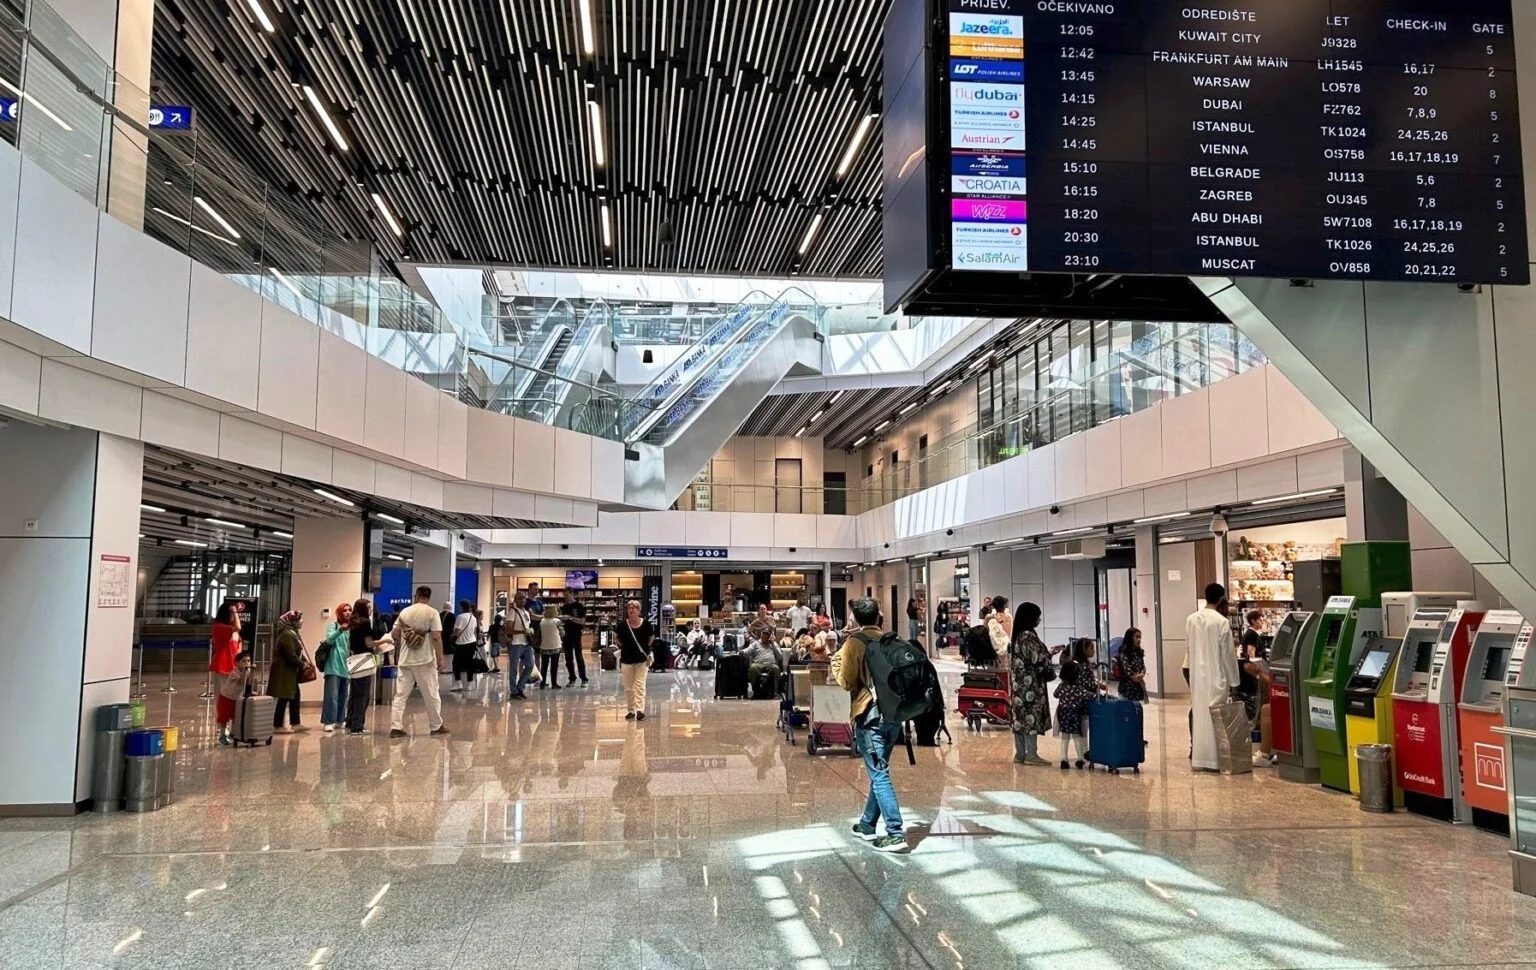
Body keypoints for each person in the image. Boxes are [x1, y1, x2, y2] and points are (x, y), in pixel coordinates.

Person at [832, 597, 909, 853]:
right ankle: (867, 824)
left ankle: (895, 832)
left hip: (870, 715)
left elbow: (846, 681)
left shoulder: (854, 643)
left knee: (879, 774)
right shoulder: (892, 640)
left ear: (855, 619)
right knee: (880, 770)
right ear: (878, 616)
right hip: (894, 715)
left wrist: (836, 664)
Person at [1186, 583, 1241, 771]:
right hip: (1216, 675)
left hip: (1197, 677)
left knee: (1200, 714)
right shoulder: (1221, 622)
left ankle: (1200, 758)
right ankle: (1216, 759)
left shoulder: (1191, 619)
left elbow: (1189, 648)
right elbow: (1228, 654)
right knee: (1216, 716)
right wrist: (1235, 681)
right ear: (1221, 598)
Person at [389, 585, 450, 738]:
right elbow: (436, 637)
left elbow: (395, 634)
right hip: (425, 660)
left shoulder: (404, 612)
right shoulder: (432, 613)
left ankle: (396, 727)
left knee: (400, 695)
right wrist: (440, 659)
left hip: (405, 660)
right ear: (429, 597)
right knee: (431, 694)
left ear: (416, 596)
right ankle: (436, 726)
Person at [1008, 602, 1053, 766]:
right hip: (1030, 686)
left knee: (1019, 719)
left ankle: (1020, 754)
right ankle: (1031, 755)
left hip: (1018, 684)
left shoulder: (1017, 636)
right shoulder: (1028, 635)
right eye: (1037, 617)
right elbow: (1036, 658)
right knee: (1030, 718)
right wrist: (1049, 654)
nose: (1039, 620)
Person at [345, 599, 386, 735]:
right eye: (368, 607)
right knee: (363, 694)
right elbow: (369, 643)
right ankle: (357, 726)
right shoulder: (365, 623)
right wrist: (385, 641)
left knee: (354, 693)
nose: (371, 610)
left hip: (354, 659)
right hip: (364, 660)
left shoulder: (353, 623)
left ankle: (350, 721)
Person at [269, 610, 309, 734]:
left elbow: (296, 652)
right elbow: (290, 654)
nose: (301, 622)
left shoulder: (291, 633)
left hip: (289, 672)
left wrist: (304, 661)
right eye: (299, 619)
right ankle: (278, 725)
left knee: (294, 696)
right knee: (284, 697)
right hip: (284, 672)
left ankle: (295, 723)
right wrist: (302, 664)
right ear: (292, 622)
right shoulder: (287, 634)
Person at [320, 602, 354, 733]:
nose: (347, 612)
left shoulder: (351, 629)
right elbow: (329, 640)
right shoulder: (333, 626)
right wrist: (340, 631)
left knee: (343, 696)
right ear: (340, 613)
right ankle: (328, 721)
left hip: (346, 666)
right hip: (333, 665)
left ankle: (340, 719)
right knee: (331, 696)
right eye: (345, 610)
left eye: (349, 610)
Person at [617, 599, 654, 720]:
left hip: (642, 660)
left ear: (639, 610)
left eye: (634, 608)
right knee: (628, 687)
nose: (631, 610)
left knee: (640, 685)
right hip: (626, 659)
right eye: (629, 608)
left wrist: (645, 648)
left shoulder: (646, 624)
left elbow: (651, 637)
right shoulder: (622, 625)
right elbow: (617, 638)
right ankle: (631, 710)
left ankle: (639, 710)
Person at [1054, 659, 1093, 769]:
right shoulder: (1078, 688)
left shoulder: (1062, 686)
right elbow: (1089, 695)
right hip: (1075, 714)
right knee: (1076, 736)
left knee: (1065, 737)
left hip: (1063, 713)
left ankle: (1063, 760)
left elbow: (1055, 694)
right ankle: (1080, 759)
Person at [216, 650, 255, 745]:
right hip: (226, 697)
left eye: (248, 661)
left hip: (236, 698)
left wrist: (252, 672)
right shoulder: (234, 673)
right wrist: (246, 672)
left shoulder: (247, 671)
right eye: (244, 661)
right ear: (237, 663)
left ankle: (233, 733)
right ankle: (222, 735)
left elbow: (249, 682)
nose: (247, 663)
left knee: (236, 716)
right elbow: (242, 682)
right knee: (224, 717)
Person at [503, 591, 537, 699]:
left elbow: (527, 626)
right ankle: (514, 692)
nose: (522, 600)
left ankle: (520, 687)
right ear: (515, 600)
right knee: (513, 668)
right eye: (519, 598)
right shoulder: (512, 612)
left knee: (530, 665)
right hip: (515, 644)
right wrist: (522, 632)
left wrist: (530, 631)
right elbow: (508, 629)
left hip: (526, 643)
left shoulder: (526, 612)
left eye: (523, 598)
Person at [451, 599, 481, 692]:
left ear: (462, 607)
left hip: (461, 643)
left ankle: (458, 683)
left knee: (456, 663)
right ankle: (469, 684)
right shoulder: (473, 617)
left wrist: (452, 636)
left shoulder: (460, 617)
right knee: (469, 663)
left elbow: (457, 631)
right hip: (471, 642)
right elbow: (474, 631)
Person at [745, 628, 785, 696]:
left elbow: (780, 657)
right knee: (753, 668)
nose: (765, 636)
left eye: (767, 634)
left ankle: (775, 691)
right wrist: (742, 652)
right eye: (764, 634)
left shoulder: (774, 644)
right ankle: (755, 690)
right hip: (758, 664)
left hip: (770, 665)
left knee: (776, 668)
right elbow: (747, 651)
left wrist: (773, 645)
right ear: (761, 635)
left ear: (769, 636)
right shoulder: (756, 643)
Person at [561, 592, 589, 687]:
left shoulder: (579, 606)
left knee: (579, 656)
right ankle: (572, 679)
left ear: (571, 594)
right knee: (568, 658)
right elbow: (563, 621)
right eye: (564, 595)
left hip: (576, 634)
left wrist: (570, 618)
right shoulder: (564, 607)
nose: (565, 597)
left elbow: (582, 621)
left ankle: (584, 679)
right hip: (566, 635)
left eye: (567, 595)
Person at [209, 601, 243, 680]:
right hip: (222, 666)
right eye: (231, 613)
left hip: (233, 666)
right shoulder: (219, 627)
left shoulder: (232, 629)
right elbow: (238, 627)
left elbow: (238, 648)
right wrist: (235, 611)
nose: (234, 616)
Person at [1116, 627, 1148, 703]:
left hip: (1138, 688)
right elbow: (1127, 668)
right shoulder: (1124, 652)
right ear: (1130, 638)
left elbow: (1143, 666)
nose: (1139, 640)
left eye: (1140, 637)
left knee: (1138, 708)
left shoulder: (1139, 652)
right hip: (1126, 688)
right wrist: (1135, 676)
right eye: (1137, 637)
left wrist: (1141, 674)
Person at [538, 608, 564, 688]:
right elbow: (562, 633)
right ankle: (554, 683)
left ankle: (542, 683)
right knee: (554, 666)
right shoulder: (557, 621)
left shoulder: (542, 621)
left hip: (544, 646)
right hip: (555, 645)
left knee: (544, 666)